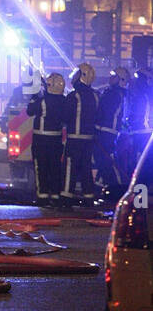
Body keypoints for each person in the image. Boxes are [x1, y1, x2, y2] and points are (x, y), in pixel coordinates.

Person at [26, 72, 66, 206]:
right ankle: (55, 196)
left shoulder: (42, 101)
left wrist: (34, 95)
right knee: (55, 168)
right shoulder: (64, 101)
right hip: (56, 140)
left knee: (41, 168)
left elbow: (30, 111)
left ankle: (42, 197)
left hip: (41, 140)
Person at [61, 63, 98, 205]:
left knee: (70, 168)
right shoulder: (95, 96)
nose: (74, 77)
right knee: (86, 168)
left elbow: (65, 117)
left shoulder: (73, 96)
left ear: (82, 76)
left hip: (74, 139)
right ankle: (89, 198)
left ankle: (65, 198)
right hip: (89, 140)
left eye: (77, 74)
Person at [94, 67, 128, 203]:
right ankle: (99, 188)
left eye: (114, 76)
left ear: (121, 80)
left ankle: (120, 187)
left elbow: (104, 112)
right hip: (105, 130)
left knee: (108, 160)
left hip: (107, 132)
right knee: (103, 161)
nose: (110, 79)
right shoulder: (112, 93)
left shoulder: (115, 94)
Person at [121, 69, 153, 180]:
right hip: (141, 133)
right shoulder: (142, 95)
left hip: (143, 134)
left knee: (141, 164)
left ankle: (141, 191)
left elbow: (137, 116)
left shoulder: (145, 96)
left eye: (139, 80)